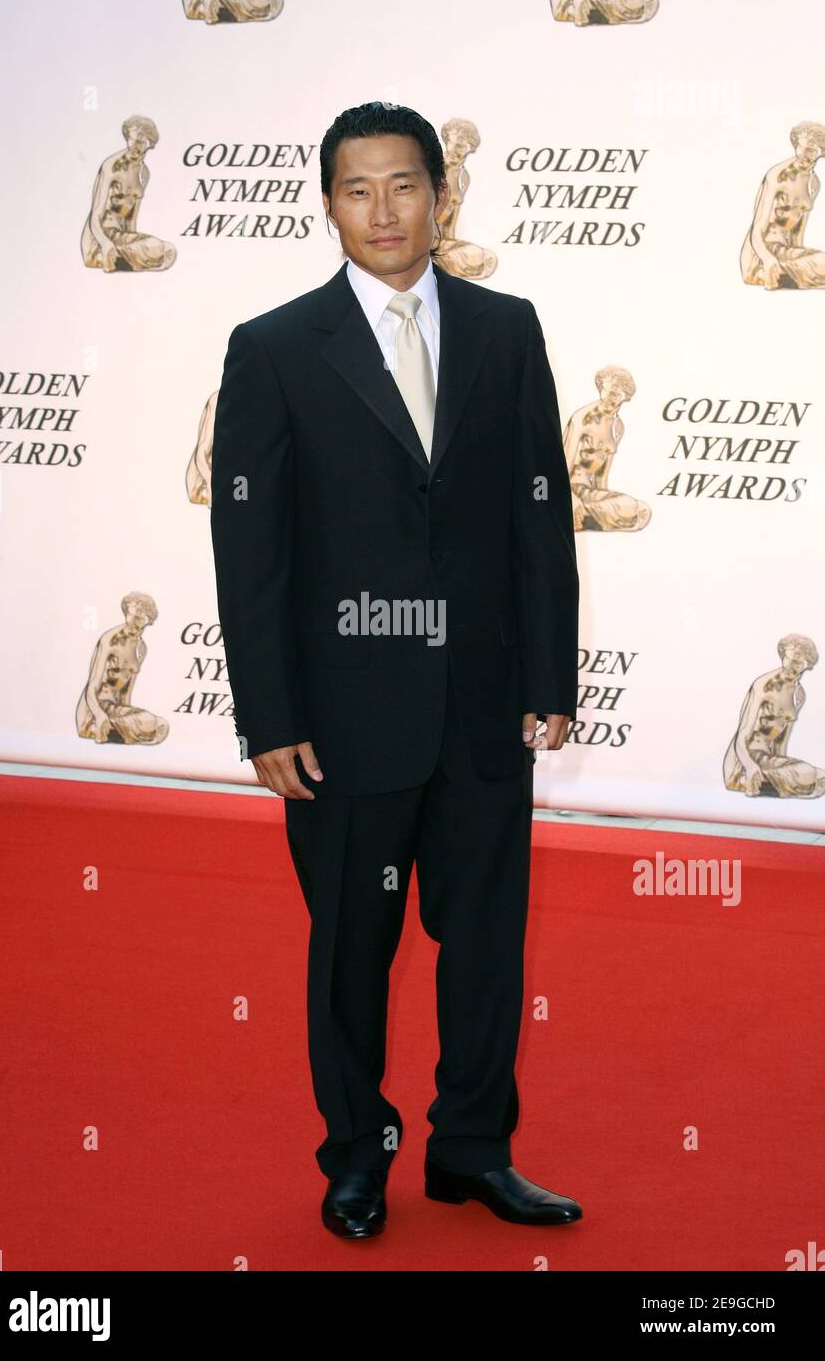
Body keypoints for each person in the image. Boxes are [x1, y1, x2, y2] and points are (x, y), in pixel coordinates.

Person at [209, 102, 582, 1238]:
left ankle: (471, 1150)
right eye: (358, 188)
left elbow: (540, 514)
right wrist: (266, 711)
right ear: (326, 203)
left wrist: (549, 675)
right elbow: (250, 548)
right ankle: (356, 1157)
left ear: (440, 194)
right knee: (351, 956)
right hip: (344, 717)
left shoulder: (505, 329)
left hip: (480, 708)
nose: (383, 210)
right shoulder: (273, 348)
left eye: (404, 185)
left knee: (483, 945)